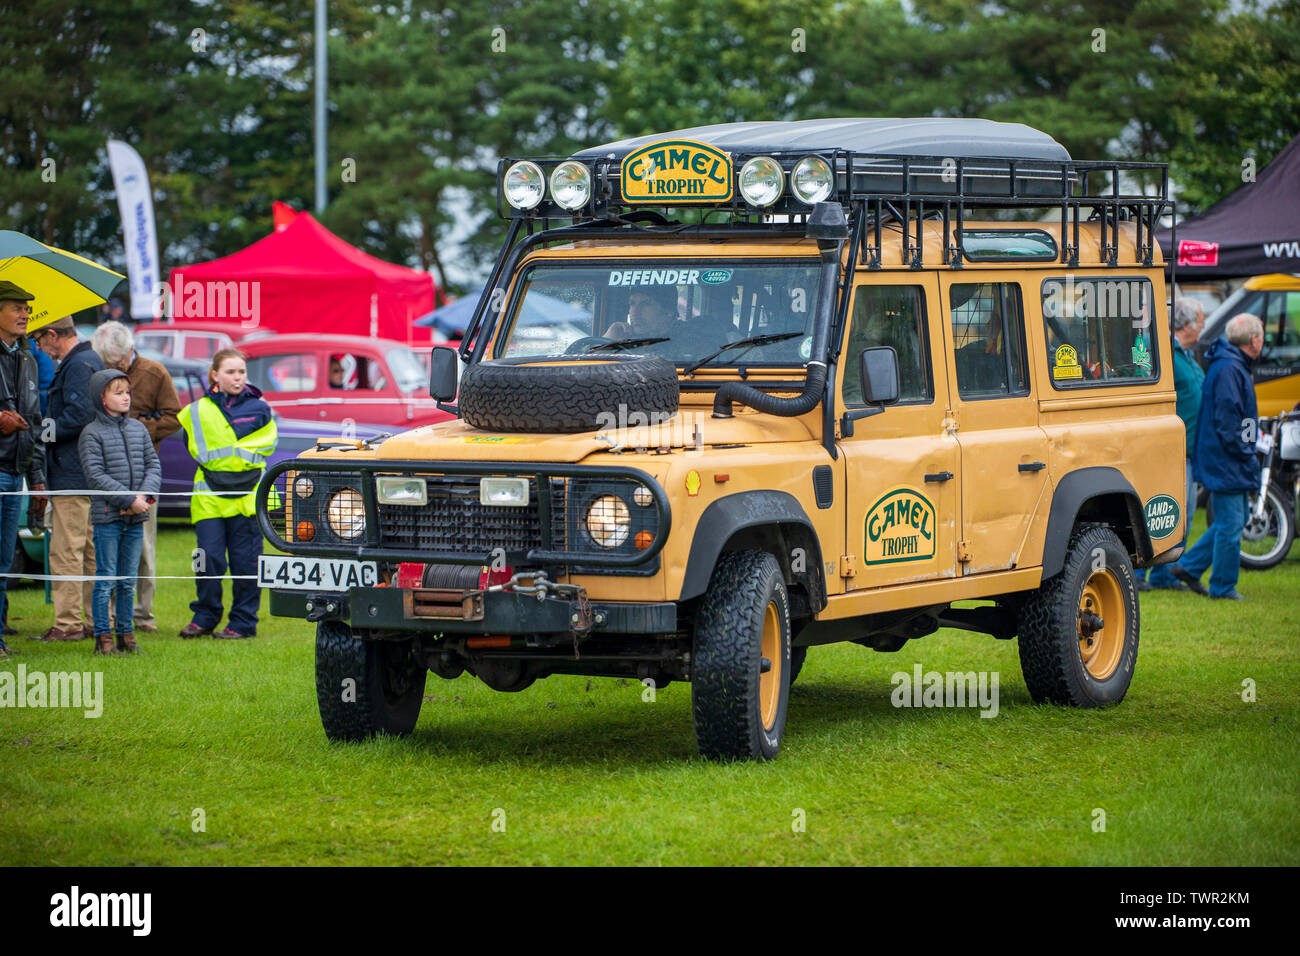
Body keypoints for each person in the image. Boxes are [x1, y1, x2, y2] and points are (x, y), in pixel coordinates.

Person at [177, 349, 277, 639]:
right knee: (206, 558)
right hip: (210, 496)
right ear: (215, 375)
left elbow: (267, 444)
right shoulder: (197, 410)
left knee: (246, 563)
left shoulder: (260, 409)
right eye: (231, 372)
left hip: (247, 497)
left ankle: (243, 623)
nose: (237, 377)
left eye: (241, 372)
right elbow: (191, 445)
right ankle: (204, 616)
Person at [92, 322, 181, 633]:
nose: (115, 368)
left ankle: (142, 615)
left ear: (130, 350)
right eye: (109, 364)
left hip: (144, 474)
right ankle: (110, 615)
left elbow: (174, 417)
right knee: (107, 546)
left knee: (143, 546)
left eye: (118, 362)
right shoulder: (98, 374)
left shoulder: (154, 372)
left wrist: (141, 430)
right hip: (109, 477)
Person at [1171, 313, 1265, 600]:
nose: (1263, 341)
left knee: (1234, 519)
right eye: (1261, 335)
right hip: (1226, 459)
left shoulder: (1232, 365)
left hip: (1227, 457)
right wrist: (1245, 453)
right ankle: (1222, 586)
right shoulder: (1229, 369)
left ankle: (1188, 566)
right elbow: (1228, 422)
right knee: (1231, 522)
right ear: (1253, 340)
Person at [30, 315, 105, 642]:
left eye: (41, 341)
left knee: (65, 550)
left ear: (52, 335)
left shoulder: (77, 365)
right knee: (89, 550)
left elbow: (77, 416)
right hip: (88, 471)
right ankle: (93, 619)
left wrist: (39, 433)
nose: (42, 350)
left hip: (72, 471)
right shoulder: (90, 360)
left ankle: (68, 624)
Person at [78, 369, 161, 654]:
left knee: (127, 581)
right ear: (102, 398)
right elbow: (95, 476)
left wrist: (143, 498)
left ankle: (127, 636)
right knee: (106, 579)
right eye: (118, 392)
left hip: (136, 516)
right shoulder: (91, 434)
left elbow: (153, 465)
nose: (126, 397)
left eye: (127, 392)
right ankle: (103, 638)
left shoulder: (138, 429)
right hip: (108, 519)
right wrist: (127, 500)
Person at [1142, 298, 1205, 590]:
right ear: (1189, 325)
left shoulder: (1187, 354)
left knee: (1184, 515)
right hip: (1171, 450)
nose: (1203, 326)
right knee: (1161, 513)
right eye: (1201, 321)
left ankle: (1163, 575)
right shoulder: (1166, 351)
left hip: (1190, 450)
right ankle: (1141, 575)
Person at [0, 282, 47, 655]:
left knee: (3, 561)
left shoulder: (28, 359)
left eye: (27, 309)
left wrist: (39, 480)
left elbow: (34, 421)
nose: (25, 315)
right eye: (17, 308)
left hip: (16, 470)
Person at [604, 288, 679, 340]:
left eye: (646, 304)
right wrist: (607, 341)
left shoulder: (686, 341)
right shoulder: (624, 339)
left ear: (668, 312)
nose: (635, 312)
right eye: (632, 303)